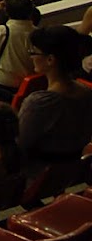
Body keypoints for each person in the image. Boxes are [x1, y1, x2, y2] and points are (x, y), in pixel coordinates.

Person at [17, 25, 92, 175]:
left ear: (50, 59)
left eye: (34, 52)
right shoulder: (86, 91)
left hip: (35, 174)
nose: (31, 57)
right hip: (68, 171)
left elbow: (17, 146)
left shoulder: (40, 103)